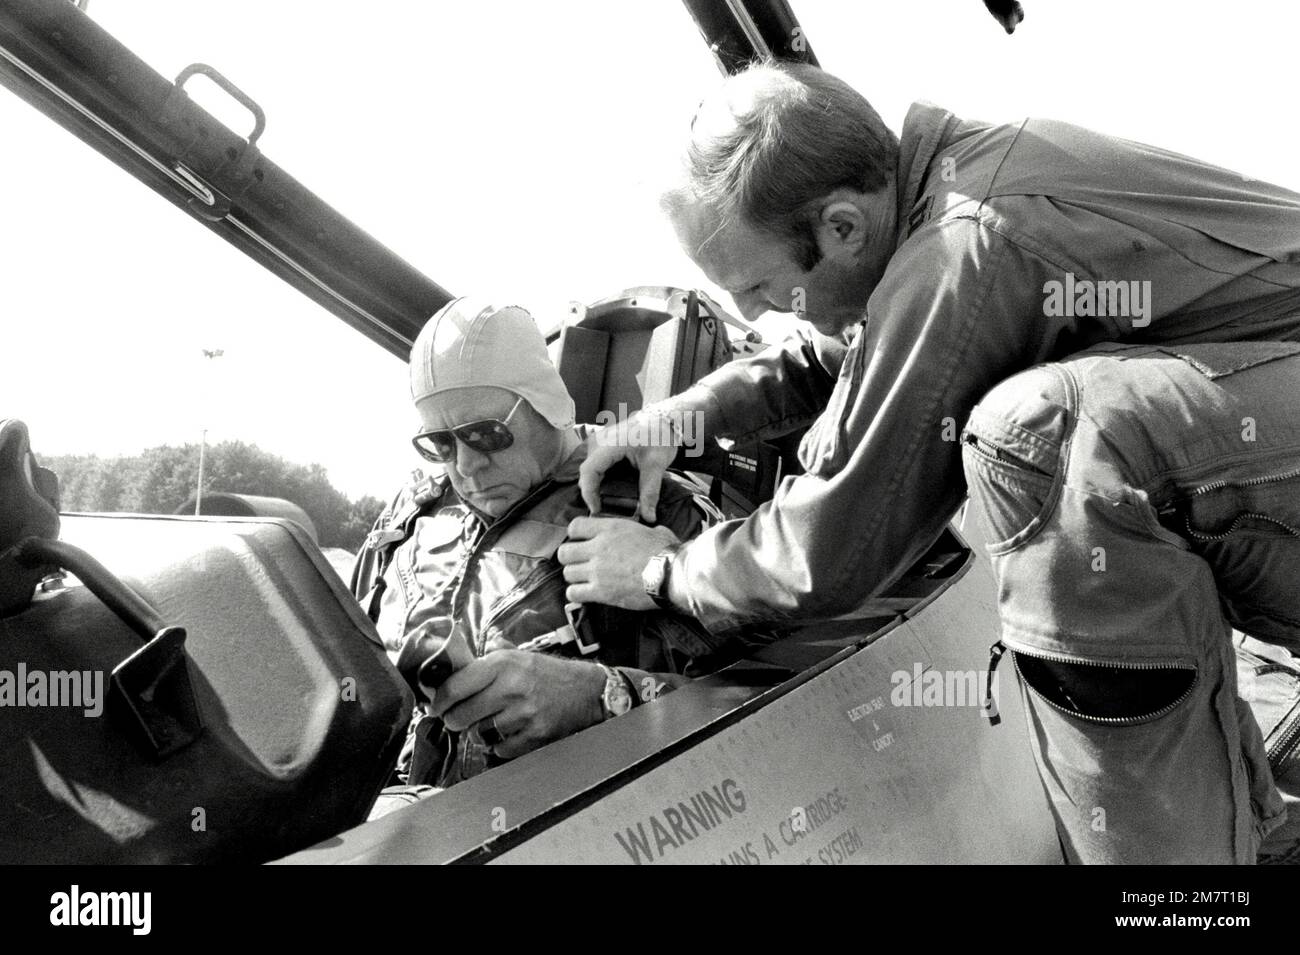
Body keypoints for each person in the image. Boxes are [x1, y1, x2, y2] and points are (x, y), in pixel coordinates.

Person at [557, 59, 1300, 863]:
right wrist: (694, 411)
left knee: (1053, 442)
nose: (757, 315)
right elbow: (853, 348)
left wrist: (663, 573)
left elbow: (832, 548)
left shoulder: (966, 243)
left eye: (764, 288)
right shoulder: (941, 192)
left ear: (842, 226)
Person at [352, 297, 734, 797]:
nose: (465, 466)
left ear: (545, 404)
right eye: (440, 445)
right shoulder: (411, 517)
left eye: (486, 434)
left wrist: (604, 697)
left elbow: (765, 705)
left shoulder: (653, 510)